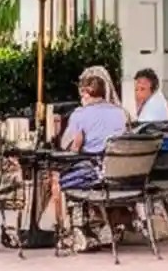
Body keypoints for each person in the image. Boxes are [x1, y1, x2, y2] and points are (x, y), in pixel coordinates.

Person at [49, 69, 130, 243]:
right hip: (122, 173)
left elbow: (70, 147)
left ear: (85, 93)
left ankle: (68, 231)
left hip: (95, 173)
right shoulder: (121, 113)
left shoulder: (80, 114)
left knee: (57, 179)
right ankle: (100, 223)